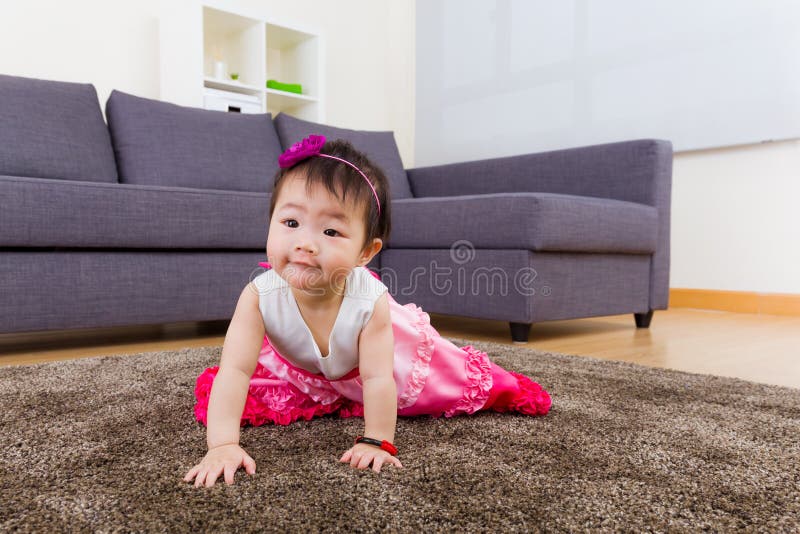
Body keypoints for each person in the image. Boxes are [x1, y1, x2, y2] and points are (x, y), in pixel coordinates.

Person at [183, 135, 551, 488]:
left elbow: (378, 379)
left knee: (449, 383)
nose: (305, 244)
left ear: (365, 253)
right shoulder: (258, 296)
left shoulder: (368, 302)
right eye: (290, 223)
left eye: (331, 231)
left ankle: (506, 384)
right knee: (242, 397)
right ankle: (329, 390)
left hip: (375, 360)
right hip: (310, 366)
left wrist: (376, 441)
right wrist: (222, 446)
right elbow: (235, 370)